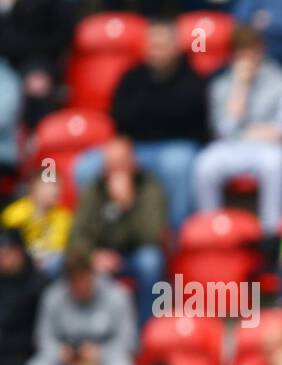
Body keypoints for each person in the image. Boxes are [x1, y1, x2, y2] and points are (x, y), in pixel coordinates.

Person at [75, 17, 209, 232]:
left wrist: (152, 113)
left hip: (175, 147)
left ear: (176, 46)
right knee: (85, 165)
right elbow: (120, 117)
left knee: (179, 163)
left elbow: (191, 120)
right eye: (152, 45)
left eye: (163, 45)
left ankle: (176, 233)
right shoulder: (131, 76)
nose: (157, 51)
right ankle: (94, 234)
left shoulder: (193, 78)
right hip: (133, 147)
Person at [192, 25, 282, 237]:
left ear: (262, 50)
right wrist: (240, 88)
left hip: (269, 149)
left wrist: (247, 133)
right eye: (242, 52)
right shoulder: (222, 84)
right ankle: (211, 230)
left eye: (253, 50)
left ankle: (271, 233)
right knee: (204, 164)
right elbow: (223, 131)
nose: (248, 58)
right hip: (231, 147)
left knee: (275, 163)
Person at [66, 138, 167, 326]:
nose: (116, 172)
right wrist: (92, 256)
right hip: (100, 256)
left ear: (134, 164)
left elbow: (152, 236)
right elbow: (77, 236)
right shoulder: (93, 190)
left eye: (121, 165)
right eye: (111, 166)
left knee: (151, 261)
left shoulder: (149, 188)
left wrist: (127, 206)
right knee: (58, 264)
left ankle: (146, 330)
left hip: (133, 256)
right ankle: (75, 330)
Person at [24, 251, 136, 365]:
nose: (79, 286)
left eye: (83, 279)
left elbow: (128, 339)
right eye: (74, 281)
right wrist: (58, 352)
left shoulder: (117, 295)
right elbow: (43, 336)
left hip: (104, 359)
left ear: (92, 274)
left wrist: (101, 353)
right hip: (65, 361)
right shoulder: (52, 297)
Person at [0, 227, 46, 365]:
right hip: (4, 348)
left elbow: (40, 326)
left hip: (27, 350)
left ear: (20, 252)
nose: (2, 259)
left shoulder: (37, 283)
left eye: (6, 253)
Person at [1, 172, 71, 275]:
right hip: (22, 267)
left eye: (58, 186)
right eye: (49, 185)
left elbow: (62, 250)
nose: (55, 190)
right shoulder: (14, 215)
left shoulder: (65, 217)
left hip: (53, 267)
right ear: (34, 187)